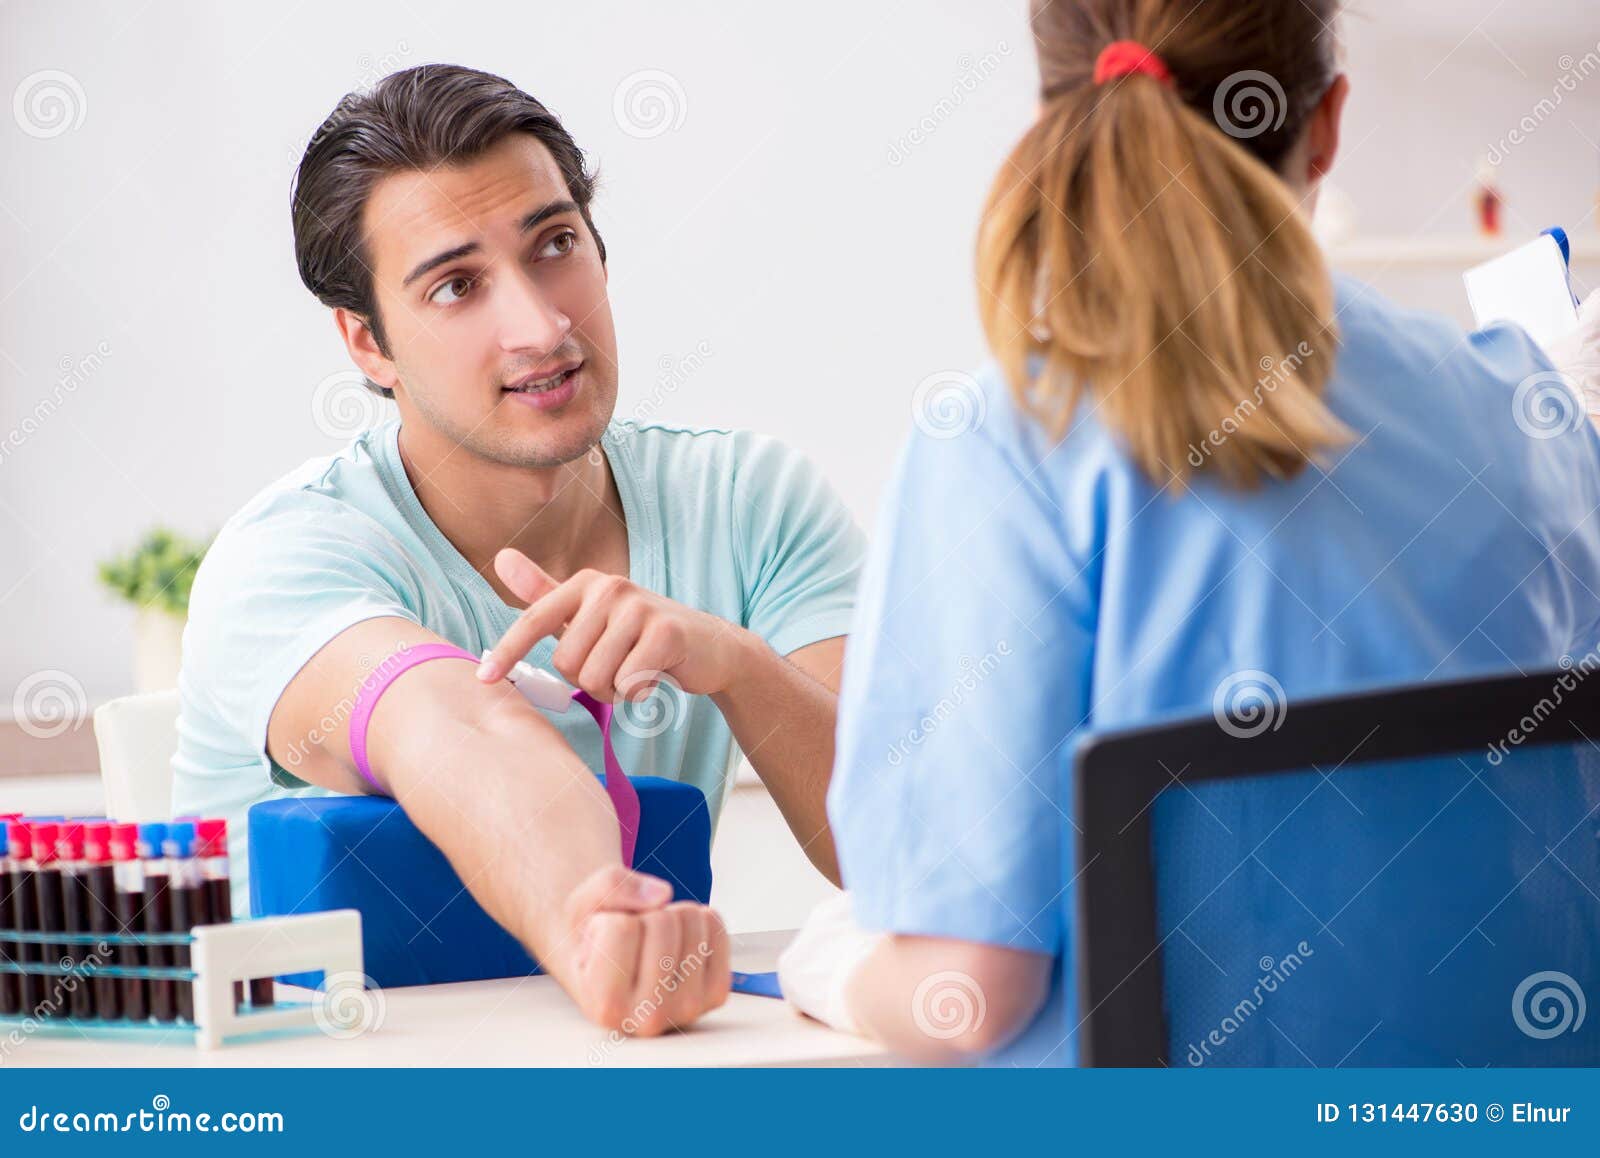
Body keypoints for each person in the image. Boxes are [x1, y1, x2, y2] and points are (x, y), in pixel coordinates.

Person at [779, 0, 1600, 1064]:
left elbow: (967, 993)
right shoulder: (1518, 407)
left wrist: (839, 967)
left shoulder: (1004, 447)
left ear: (1048, 116)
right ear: (1328, 124)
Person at [172, 65, 864, 1035]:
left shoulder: (752, 504)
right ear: (367, 344)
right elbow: (454, 729)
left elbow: (908, 852)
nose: (542, 326)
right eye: (456, 286)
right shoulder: (287, 558)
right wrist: (593, 924)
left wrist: (738, 665)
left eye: (555, 245)